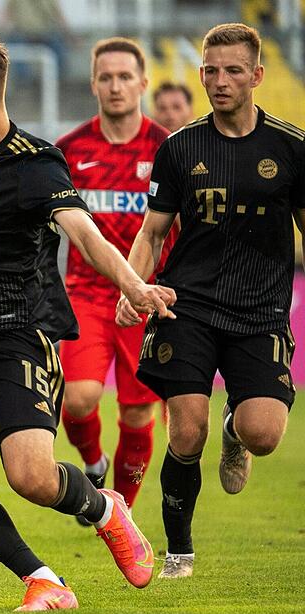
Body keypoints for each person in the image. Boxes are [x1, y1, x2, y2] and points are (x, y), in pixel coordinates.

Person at [0, 31, 176, 612]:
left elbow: (84, 233)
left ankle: (104, 508)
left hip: (14, 333)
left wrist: (133, 284)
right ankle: (42, 578)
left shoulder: (37, 164)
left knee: (30, 476)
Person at [119, 22, 305, 579]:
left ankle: (235, 432)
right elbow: (152, 233)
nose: (219, 81)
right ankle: (179, 551)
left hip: (260, 311)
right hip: (189, 305)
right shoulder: (179, 147)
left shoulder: (292, 148)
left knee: (263, 435)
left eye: (232, 71)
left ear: (256, 75)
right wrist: (133, 287)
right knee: (185, 430)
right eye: (210, 70)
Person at [55, 38, 172, 521]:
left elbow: (177, 234)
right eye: (106, 77)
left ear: (143, 83)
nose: (116, 85)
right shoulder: (70, 149)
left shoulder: (168, 149)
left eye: (125, 77)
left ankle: (119, 511)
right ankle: (94, 462)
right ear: (93, 84)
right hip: (86, 295)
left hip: (145, 300)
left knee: (138, 415)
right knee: (78, 399)